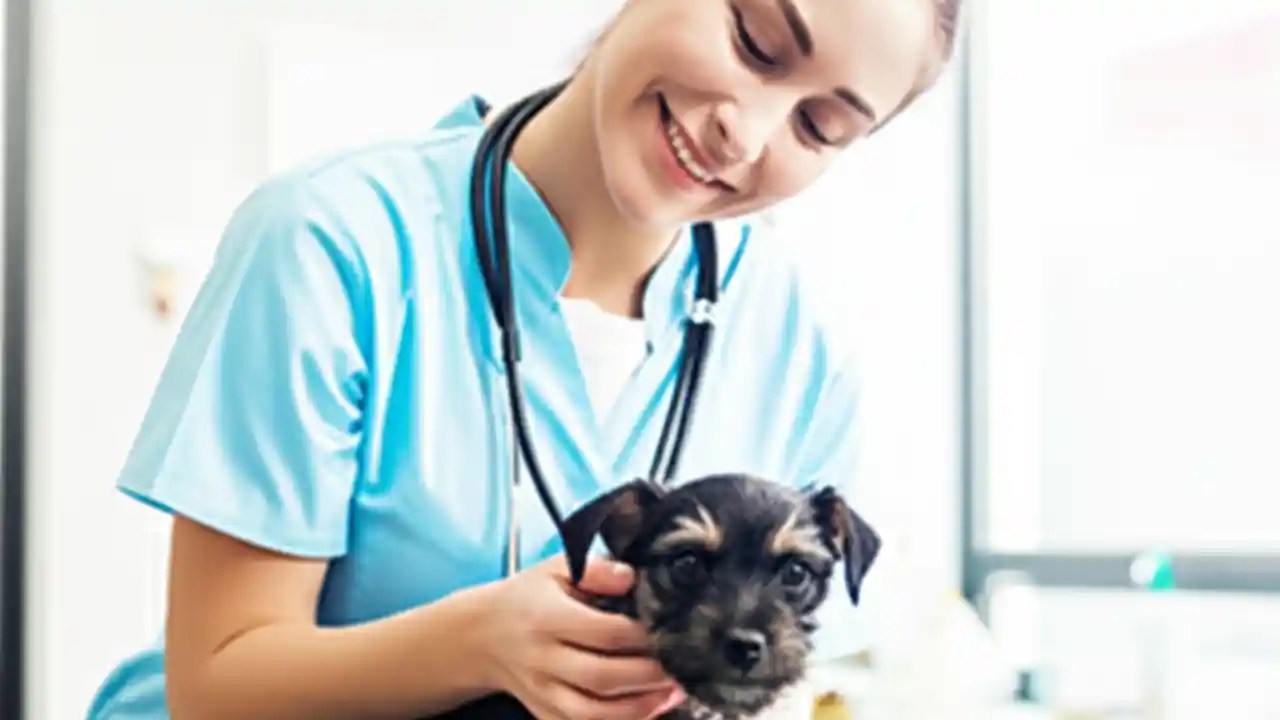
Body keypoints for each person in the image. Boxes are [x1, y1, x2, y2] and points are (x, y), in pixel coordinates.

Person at [88, 0, 961, 718]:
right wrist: (478, 645)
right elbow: (217, 684)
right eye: (755, 41)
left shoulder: (796, 343)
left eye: (819, 125)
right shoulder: (334, 243)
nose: (745, 131)